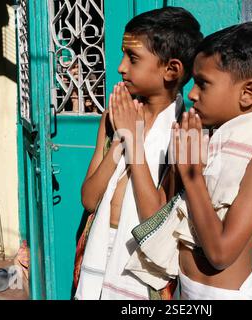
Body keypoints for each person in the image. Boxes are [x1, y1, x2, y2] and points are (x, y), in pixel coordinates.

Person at [126, 21, 252, 300]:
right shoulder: (206, 142)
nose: (191, 94)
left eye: (203, 83)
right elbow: (167, 211)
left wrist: (191, 174)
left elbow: (220, 253)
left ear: (248, 93)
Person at [74, 7, 203, 300]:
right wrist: (120, 140)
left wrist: (133, 141)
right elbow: (89, 198)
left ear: (172, 70)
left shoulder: (188, 130)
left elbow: (155, 219)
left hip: (143, 273)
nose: (121, 67)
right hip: (97, 255)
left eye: (133, 59)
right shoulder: (113, 117)